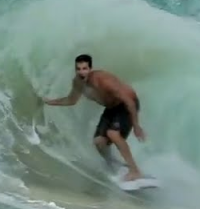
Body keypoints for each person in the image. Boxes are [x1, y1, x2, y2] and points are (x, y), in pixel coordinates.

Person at [43, 53, 147, 181]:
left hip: (126, 104)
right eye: (78, 69)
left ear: (90, 69)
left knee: (112, 134)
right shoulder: (78, 83)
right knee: (99, 142)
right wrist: (50, 102)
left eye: (85, 68)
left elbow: (129, 101)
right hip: (111, 109)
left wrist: (136, 126)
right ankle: (115, 166)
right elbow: (71, 100)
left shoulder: (103, 81)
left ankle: (135, 171)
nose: (81, 72)